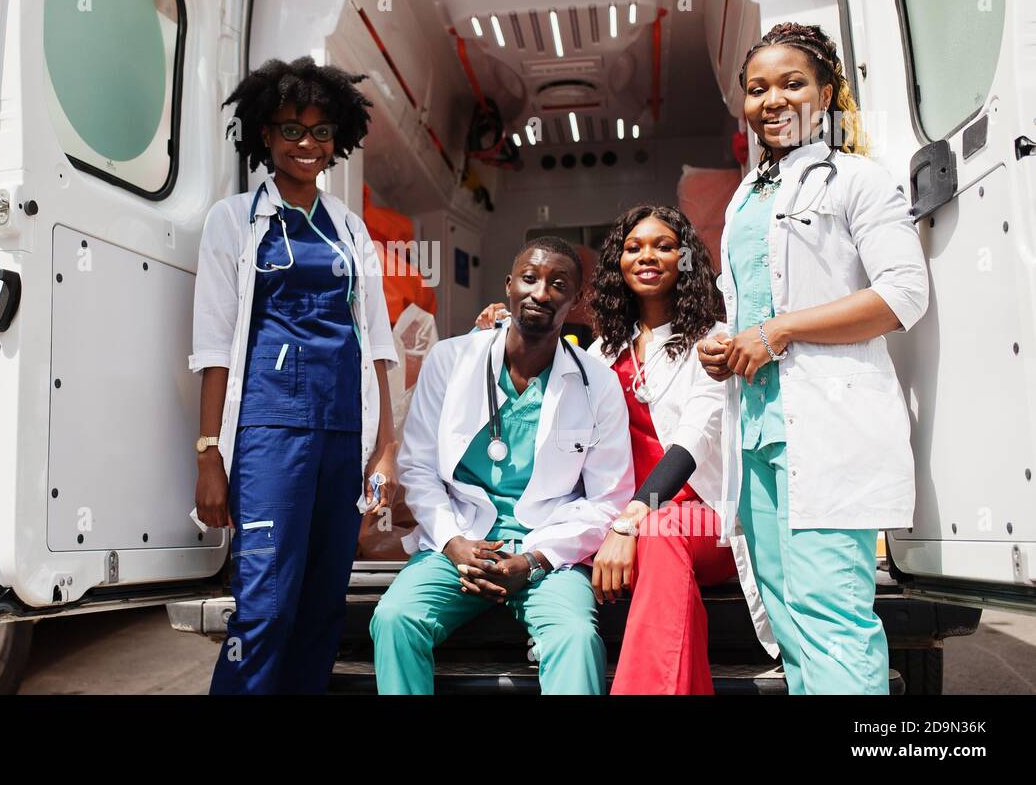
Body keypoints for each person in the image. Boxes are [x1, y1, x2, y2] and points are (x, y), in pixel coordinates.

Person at [698, 22, 929, 694]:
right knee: (793, 626)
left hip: (829, 432)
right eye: (757, 88)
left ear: (824, 93)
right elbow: (750, 304)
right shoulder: (747, 197)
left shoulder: (858, 178)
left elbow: (902, 295)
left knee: (832, 619)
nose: (773, 99)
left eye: (792, 83)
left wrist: (779, 331)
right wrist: (728, 342)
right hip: (761, 435)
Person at [476, 212, 775, 694]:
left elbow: (694, 439)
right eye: (634, 247)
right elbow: (534, 369)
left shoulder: (714, 339)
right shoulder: (601, 352)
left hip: (698, 521)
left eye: (663, 245)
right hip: (619, 523)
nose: (647, 257)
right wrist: (503, 323)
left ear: (687, 258)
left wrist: (629, 521)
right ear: (620, 262)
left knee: (660, 529)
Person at [189, 56, 399, 695]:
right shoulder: (233, 220)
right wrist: (208, 455)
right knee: (267, 606)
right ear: (263, 135)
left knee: (321, 608)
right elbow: (213, 346)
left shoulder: (351, 230)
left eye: (320, 131)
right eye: (290, 129)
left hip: (342, 433)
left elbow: (379, 344)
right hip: (270, 433)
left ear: (339, 139)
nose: (306, 144)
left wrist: (386, 448)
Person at [370, 238, 633, 695]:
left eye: (558, 284)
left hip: (546, 551)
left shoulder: (599, 383)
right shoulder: (450, 360)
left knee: (574, 637)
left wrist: (532, 560)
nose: (541, 292)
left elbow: (608, 497)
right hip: (459, 542)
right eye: (530, 278)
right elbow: (417, 467)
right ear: (509, 286)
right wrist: (454, 543)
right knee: (395, 619)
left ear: (576, 300)